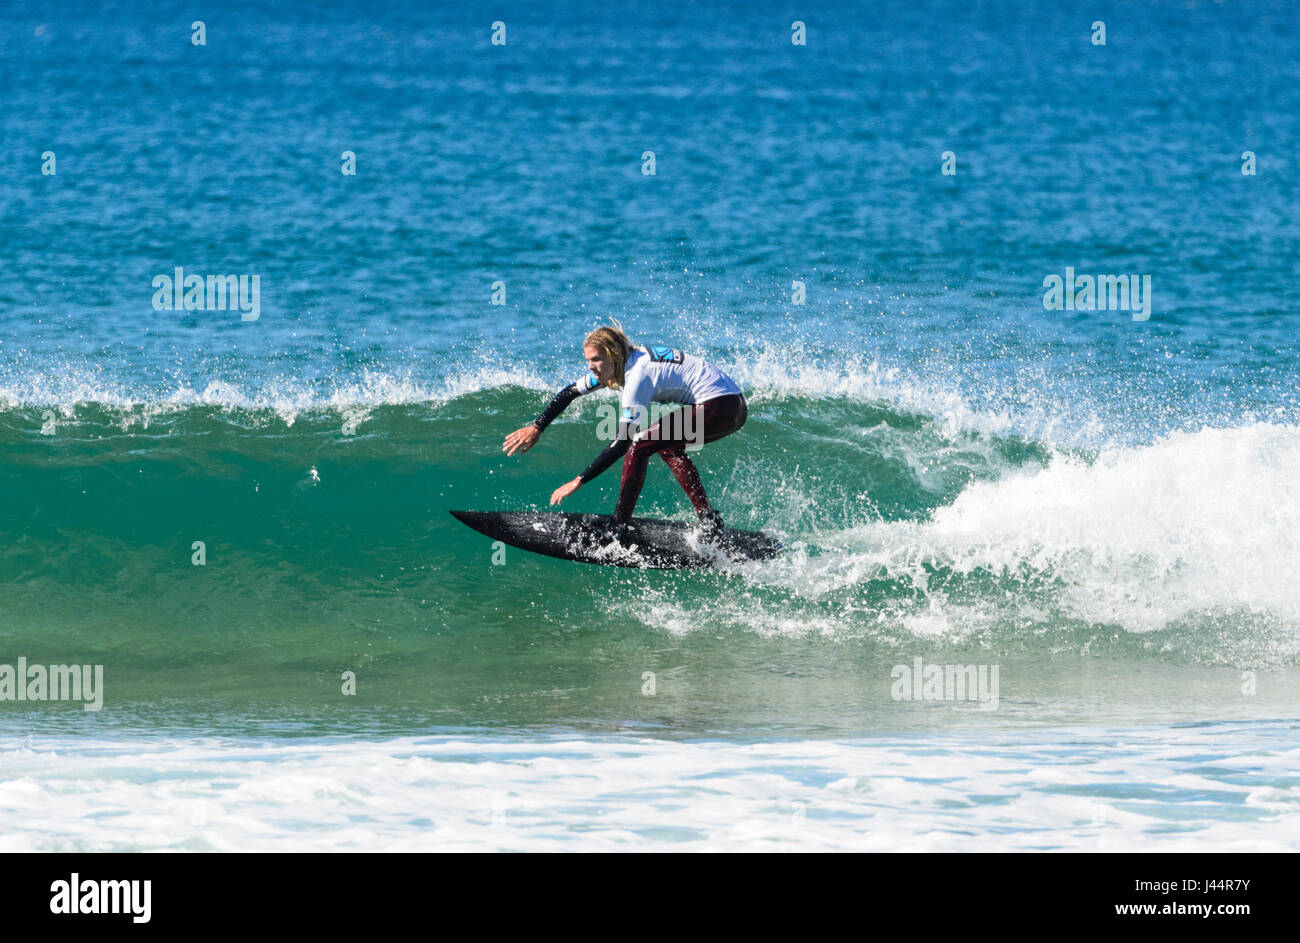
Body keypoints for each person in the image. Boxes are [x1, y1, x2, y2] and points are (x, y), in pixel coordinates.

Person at [502, 322, 747, 545]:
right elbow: (570, 392)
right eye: (588, 360)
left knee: (639, 444)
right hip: (733, 406)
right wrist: (537, 427)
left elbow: (621, 443)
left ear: (612, 355)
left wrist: (579, 480)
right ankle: (709, 520)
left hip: (719, 405)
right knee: (665, 445)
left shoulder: (637, 375)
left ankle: (617, 527)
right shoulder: (617, 366)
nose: (590, 367)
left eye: (595, 360)